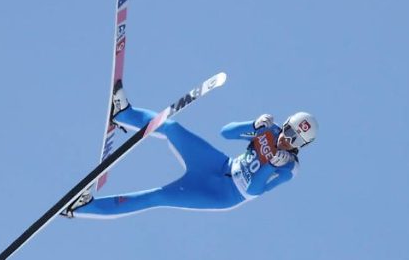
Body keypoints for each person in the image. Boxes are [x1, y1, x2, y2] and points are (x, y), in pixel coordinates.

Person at [65, 84, 317, 218]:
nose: (286, 139)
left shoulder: (289, 168)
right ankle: (124, 114)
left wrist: (271, 164)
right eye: (288, 130)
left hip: (222, 193)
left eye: (294, 139)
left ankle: (84, 207)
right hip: (218, 165)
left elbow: (254, 190)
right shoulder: (270, 131)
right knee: (173, 128)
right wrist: (253, 125)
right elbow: (226, 132)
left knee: (157, 197)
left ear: (301, 145)